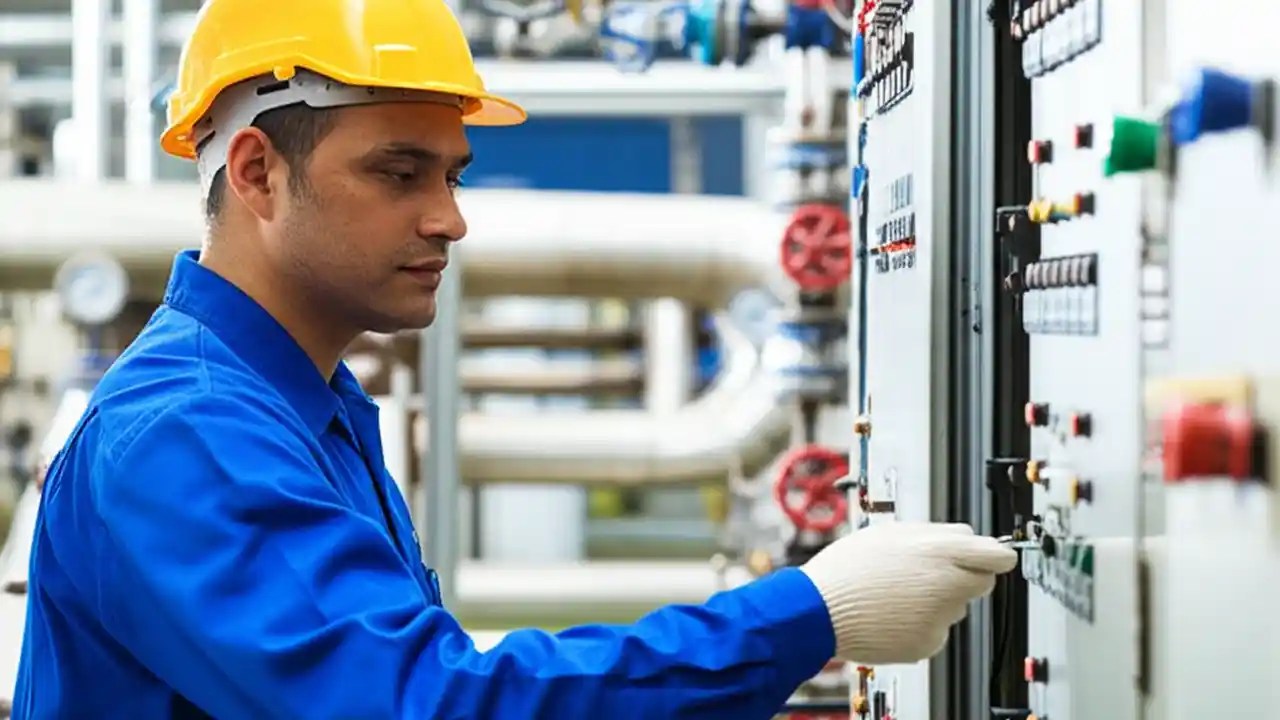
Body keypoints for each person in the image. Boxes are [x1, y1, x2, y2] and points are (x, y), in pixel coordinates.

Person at [12, 0, 1017, 717]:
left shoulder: (300, 408)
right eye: (397, 173)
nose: (447, 218)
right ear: (256, 171)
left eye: (449, 174)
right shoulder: (190, 433)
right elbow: (423, 705)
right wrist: (808, 614)